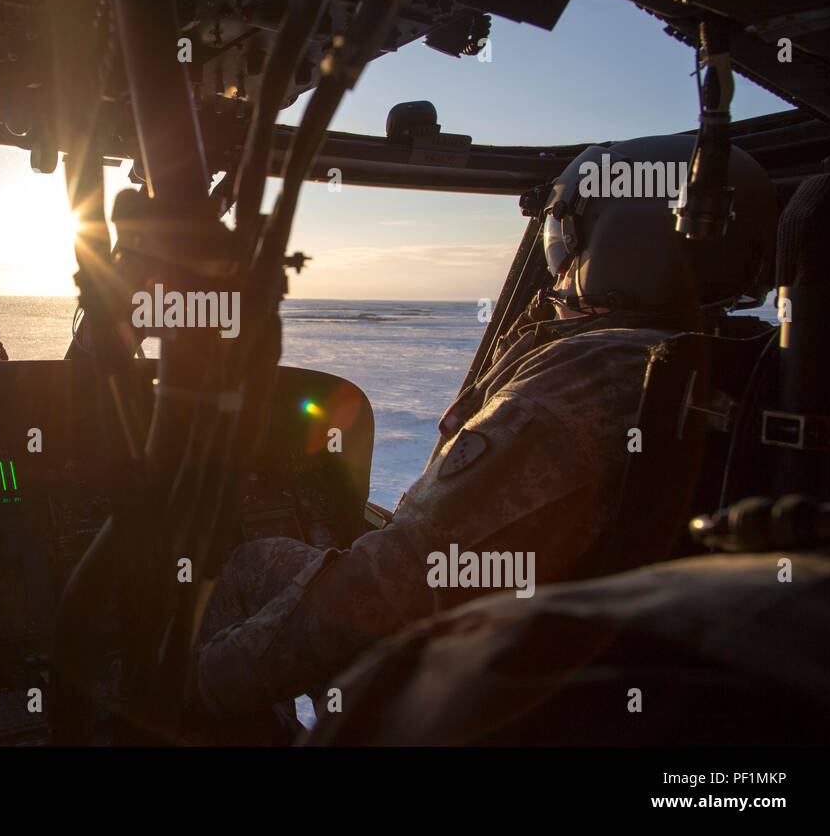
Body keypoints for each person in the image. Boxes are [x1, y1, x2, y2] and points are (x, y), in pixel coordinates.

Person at [190, 134, 778, 730]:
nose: (556, 255)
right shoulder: (737, 367)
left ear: (617, 237)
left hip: (479, 678)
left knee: (250, 564)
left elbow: (394, 587)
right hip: (584, 674)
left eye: (561, 233)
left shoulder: (580, 386)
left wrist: (205, 684)